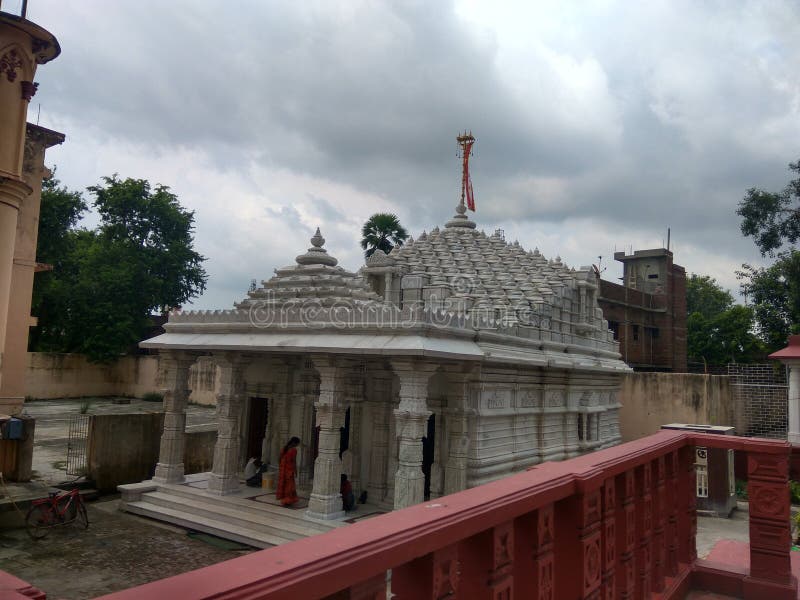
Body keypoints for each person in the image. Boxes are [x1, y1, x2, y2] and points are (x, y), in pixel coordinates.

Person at [276, 436, 300, 507]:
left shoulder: (284, 448)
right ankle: (288, 501)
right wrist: (295, 471)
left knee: (284, 485)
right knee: (289, 486)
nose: (297, 445)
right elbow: (294, 461)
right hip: (289, 470)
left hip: (283, 470)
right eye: (297, 444)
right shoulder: (293, 450)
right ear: (294, 443)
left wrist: (281, 467)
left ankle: (284, 500)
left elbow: (279, 458)